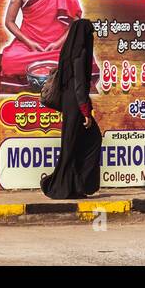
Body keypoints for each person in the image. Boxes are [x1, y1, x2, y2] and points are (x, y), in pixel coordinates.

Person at [41, 18, 102, 200]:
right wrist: (85, 112)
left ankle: (75, 185)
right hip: (76, 105)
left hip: (69, 103)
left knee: (74, 144)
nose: (91, 37)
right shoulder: (81, 53)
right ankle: (62, 186)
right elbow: (79, 85)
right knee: (88, 140)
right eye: (89, 34)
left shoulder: (68, 52)